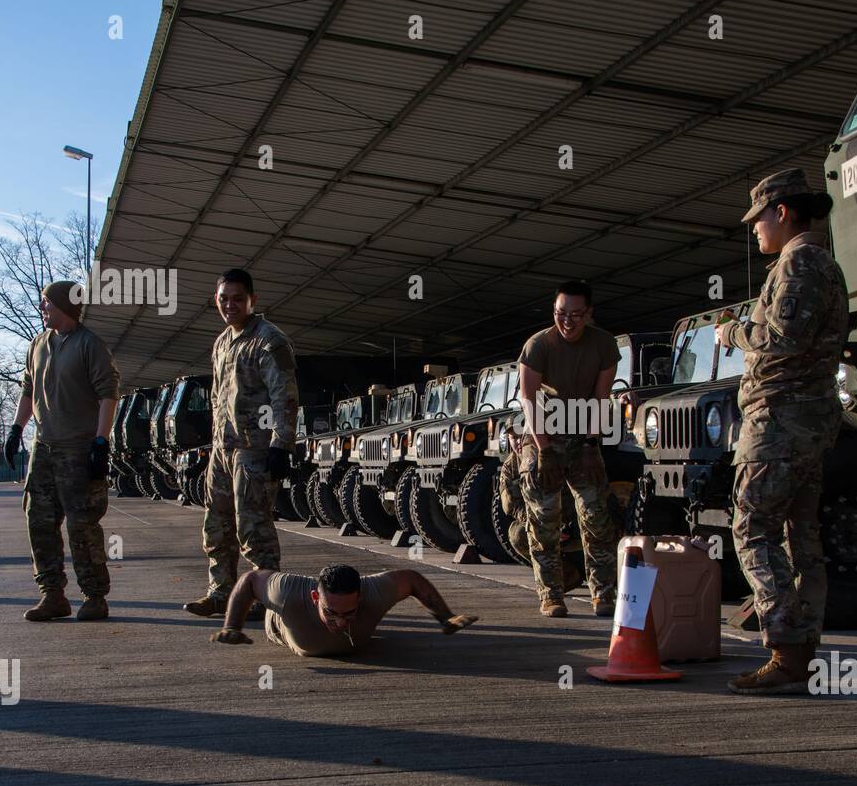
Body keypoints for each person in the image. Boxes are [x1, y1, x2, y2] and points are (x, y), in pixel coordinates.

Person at [714, 169, 847, 694]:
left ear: (783, 212)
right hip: (808, 420)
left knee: (752, 528)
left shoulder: (799, 263)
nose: (755, 230)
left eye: (758, 219)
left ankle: (787, 649)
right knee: (800, 535)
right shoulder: (824, 264)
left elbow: (781, 338)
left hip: (779, 419)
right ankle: (802, 652)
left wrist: (732, 331)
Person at [184, 269, 298, 618]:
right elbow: (219, 398)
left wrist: (282, 444)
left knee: (254, 529)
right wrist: (214, 445)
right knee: (216, 526)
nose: (229, 305)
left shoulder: (269, 340)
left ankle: (267, 599)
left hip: (255, 450)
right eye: (223, 299)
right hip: (223, 450)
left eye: (237, 298)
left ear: (252, 300)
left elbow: (285, 397)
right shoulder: (222, 343)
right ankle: (221, 593)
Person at [5, 281, 121, 621]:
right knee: (38, 519)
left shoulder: (91, 345)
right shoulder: (38, 344)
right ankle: (52, 594)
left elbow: (108, 394)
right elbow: (28, 390)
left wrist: (101, 441)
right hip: (45, 446)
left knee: (82, 525)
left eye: (47, 303)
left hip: (79, 447)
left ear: (65, 307)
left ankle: (95, 596)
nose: (42, 309)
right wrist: (16, 429)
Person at [517, 280, 620, 618]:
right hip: (543, 435)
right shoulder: (538, 346)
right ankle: (551, 594)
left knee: (596, 516)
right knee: (545, 519)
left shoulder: (604, 345)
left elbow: (601, 398)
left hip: (582, 438)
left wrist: (591, 443)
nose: (568, 322)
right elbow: (528, 399)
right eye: (561, 314)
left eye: (576, 315)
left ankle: (603, 593)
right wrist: (544, 450)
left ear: (589, 314)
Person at [206, 563, 479, 657]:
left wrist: (445, 618)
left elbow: (411, 579)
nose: (340, 622)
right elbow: (250, 579)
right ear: (316, 598)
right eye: (331, 614)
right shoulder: (289, 592)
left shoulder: (374, 591)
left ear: (360, 597)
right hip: (281, 626)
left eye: (349, 613)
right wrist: (232, 626)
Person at [497, 431, 586, 593]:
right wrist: (546, 525)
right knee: (517, 535)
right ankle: (564, 576)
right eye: (513, 438)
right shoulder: (511, 467)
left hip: (573, 521)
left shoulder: (557, 453)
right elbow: (513, 507)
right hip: (541, 522)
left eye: (520, 436)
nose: (518, 442)